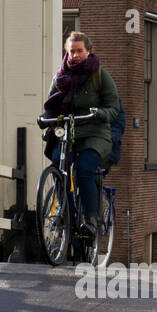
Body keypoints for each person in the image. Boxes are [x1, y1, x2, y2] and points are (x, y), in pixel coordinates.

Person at [41, 30, 121, 238]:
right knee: (59, 166)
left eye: (79, 51)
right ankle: (64, 211)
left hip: (95, 134)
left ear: (88, 51)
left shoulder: (99, 75)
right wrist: (44, 118)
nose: (75, 55)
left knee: (85, 169)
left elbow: (114, 108)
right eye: (71, 51)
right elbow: (51, 103)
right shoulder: (60, 76)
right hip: (69, 133)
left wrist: (101, 114)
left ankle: (90, 218)